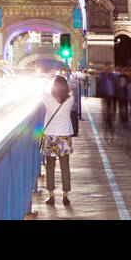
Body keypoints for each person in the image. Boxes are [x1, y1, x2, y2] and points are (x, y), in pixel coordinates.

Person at [40, 75, 76, 204]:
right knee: (65, 167)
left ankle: (51, 196)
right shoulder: (70, 98)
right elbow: (70, 92)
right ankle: (65, 196)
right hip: (64, 136)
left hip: (50, 136)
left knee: (50, 167)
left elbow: (41, 88)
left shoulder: (48, 98)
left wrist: (47, 80)